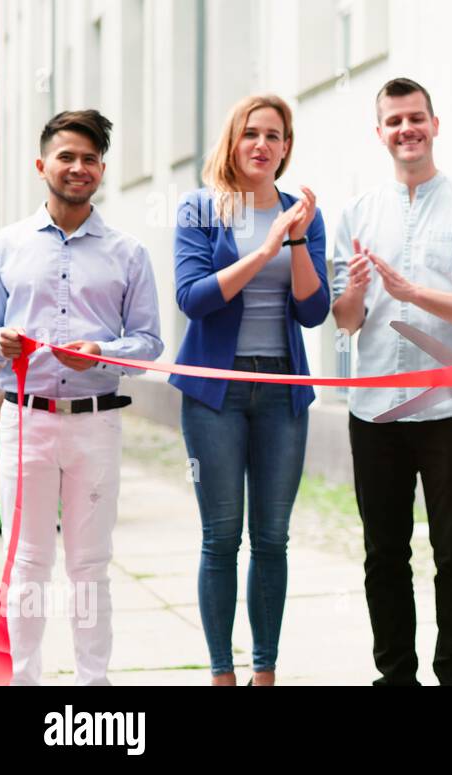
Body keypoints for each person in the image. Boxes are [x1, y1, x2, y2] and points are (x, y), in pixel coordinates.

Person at [0, 109, 163, 685]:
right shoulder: (5, 247)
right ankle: (25, 683)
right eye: (66, 156)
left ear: (103, 170)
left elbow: (149, 343)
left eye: (89, 158)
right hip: (25, 422)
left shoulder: (128, 253)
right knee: (27, 564)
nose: (78, 167)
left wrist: (104, 351)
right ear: (42, 165)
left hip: (95, 425)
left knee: (90, 565)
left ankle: (94, 687)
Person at [330, 77, 452, 686]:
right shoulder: (357, 213)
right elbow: (345, 322)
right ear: (380, 133)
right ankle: (395, 675)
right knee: (384, 554)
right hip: (374, 410)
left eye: (415, 118)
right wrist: (355, 293)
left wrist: (411, 291)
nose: (406, 130)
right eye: (394, 121)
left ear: (435, 123)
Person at [172, 94, 329, 686]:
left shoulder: (303, 212)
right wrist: (263, 249)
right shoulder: (199, 209)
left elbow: (314, 311)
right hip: (216, 394)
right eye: (251, 133)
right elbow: (193, 298)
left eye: (275, 135)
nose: (262, 144)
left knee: (272, 539)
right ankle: (221, 674)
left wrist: (293, 242)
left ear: (286, 147)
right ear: (232, 142)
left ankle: (265, 672)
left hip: (282, 393)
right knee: (220, 538)